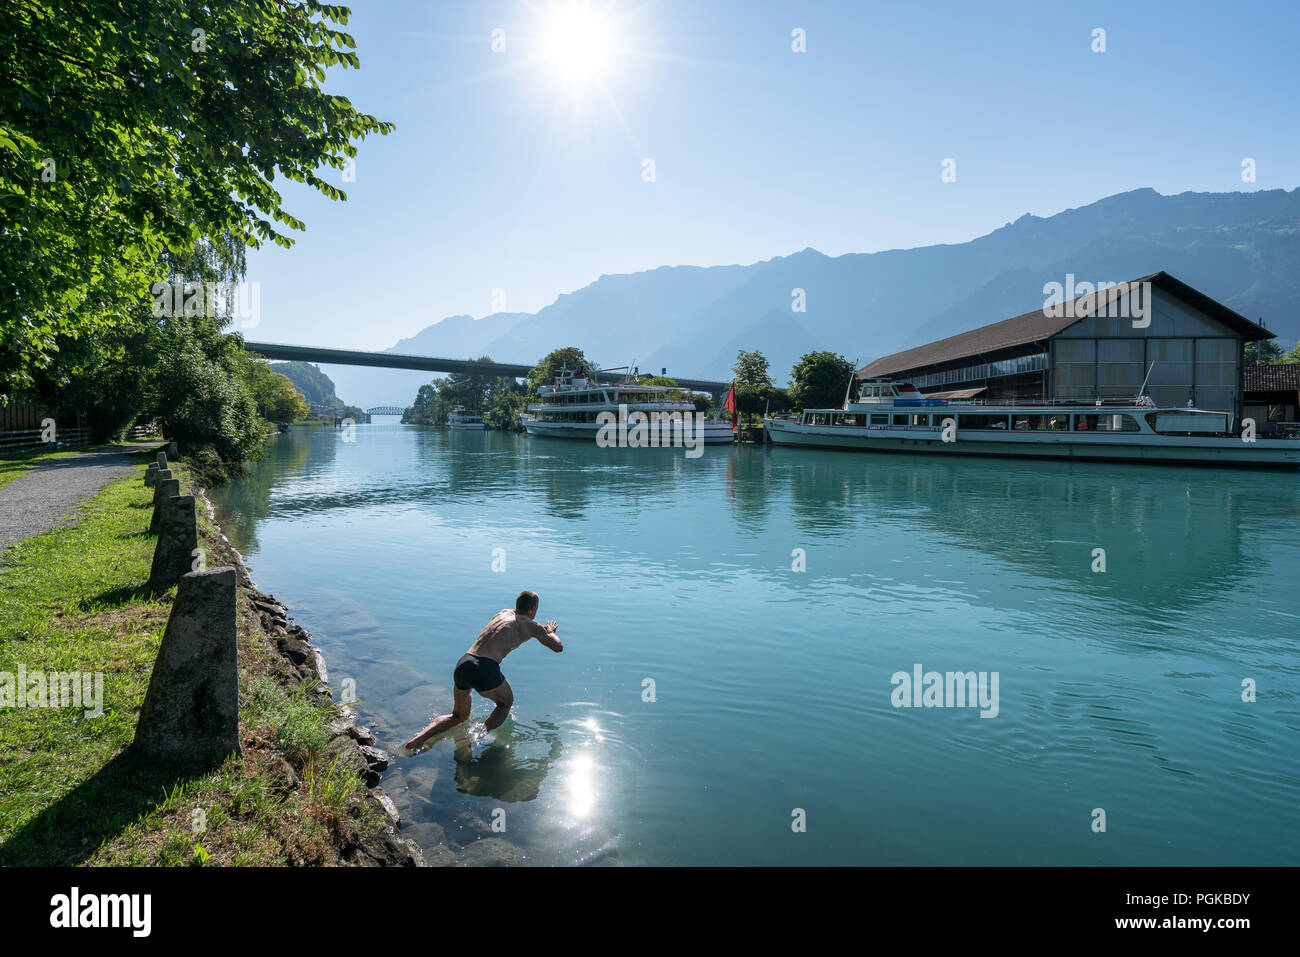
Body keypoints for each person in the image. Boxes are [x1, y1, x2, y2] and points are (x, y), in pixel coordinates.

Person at [403, 590, 562, 751]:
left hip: (464, 663)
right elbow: (558, 647)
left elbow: (510, 627)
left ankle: (419, 739)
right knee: (505, 703)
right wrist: (549, 632)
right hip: (485, 667)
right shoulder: (531, 625)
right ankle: (477, 737)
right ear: (533, 608)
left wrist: (540, 630)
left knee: (458, 716)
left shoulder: (503, 613)